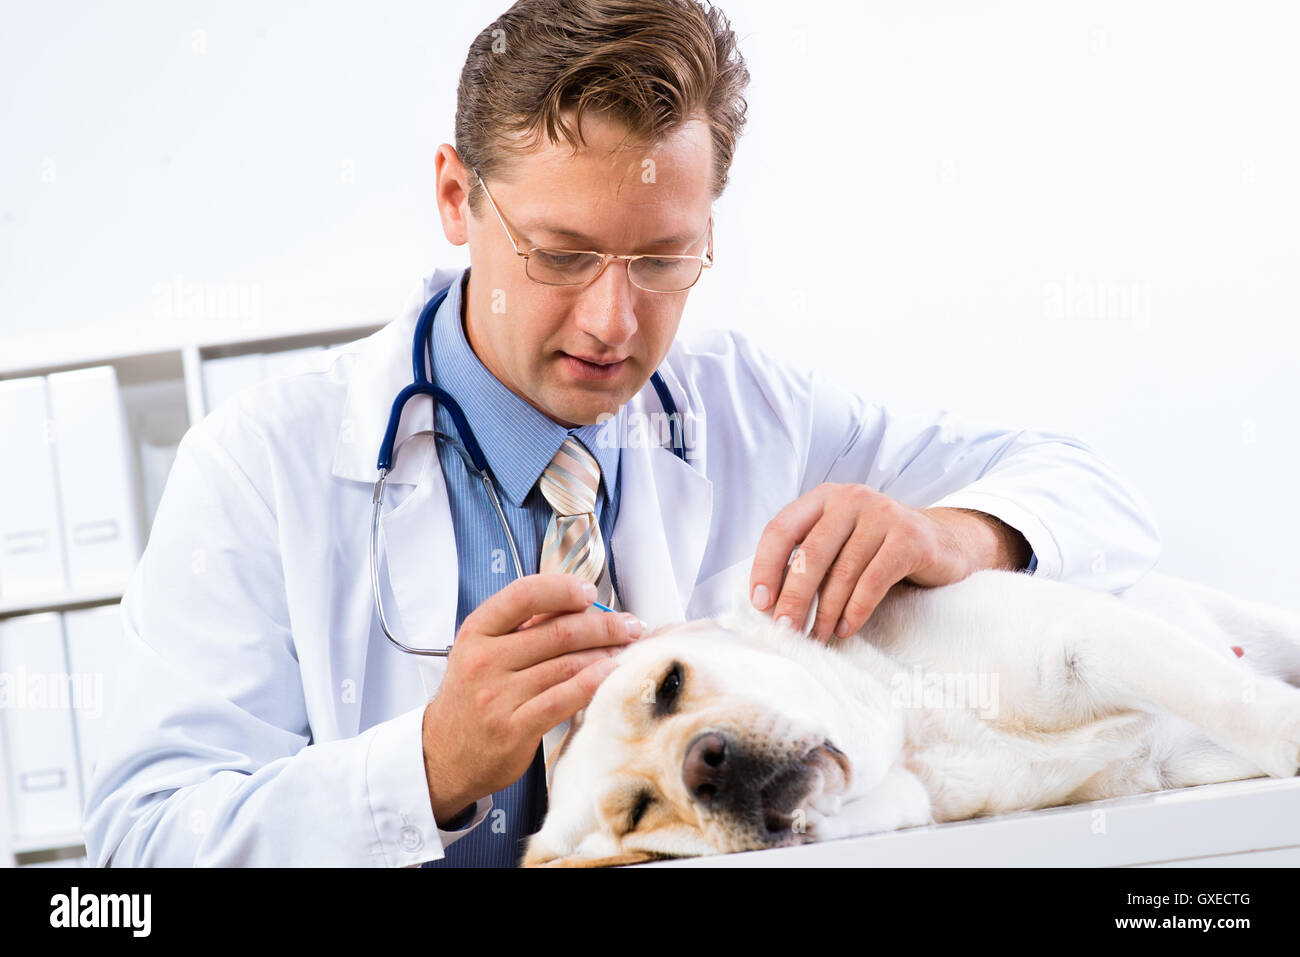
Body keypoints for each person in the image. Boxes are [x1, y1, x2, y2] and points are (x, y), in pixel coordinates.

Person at [83, 0, 1159, 867]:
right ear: (458, 197)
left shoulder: (751, 408)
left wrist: (954, 535)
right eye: (559, 254)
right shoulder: (261, 466)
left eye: (660, 261)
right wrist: (428, 764)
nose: (613, 322)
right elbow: (139, 848)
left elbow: (1091, 492)